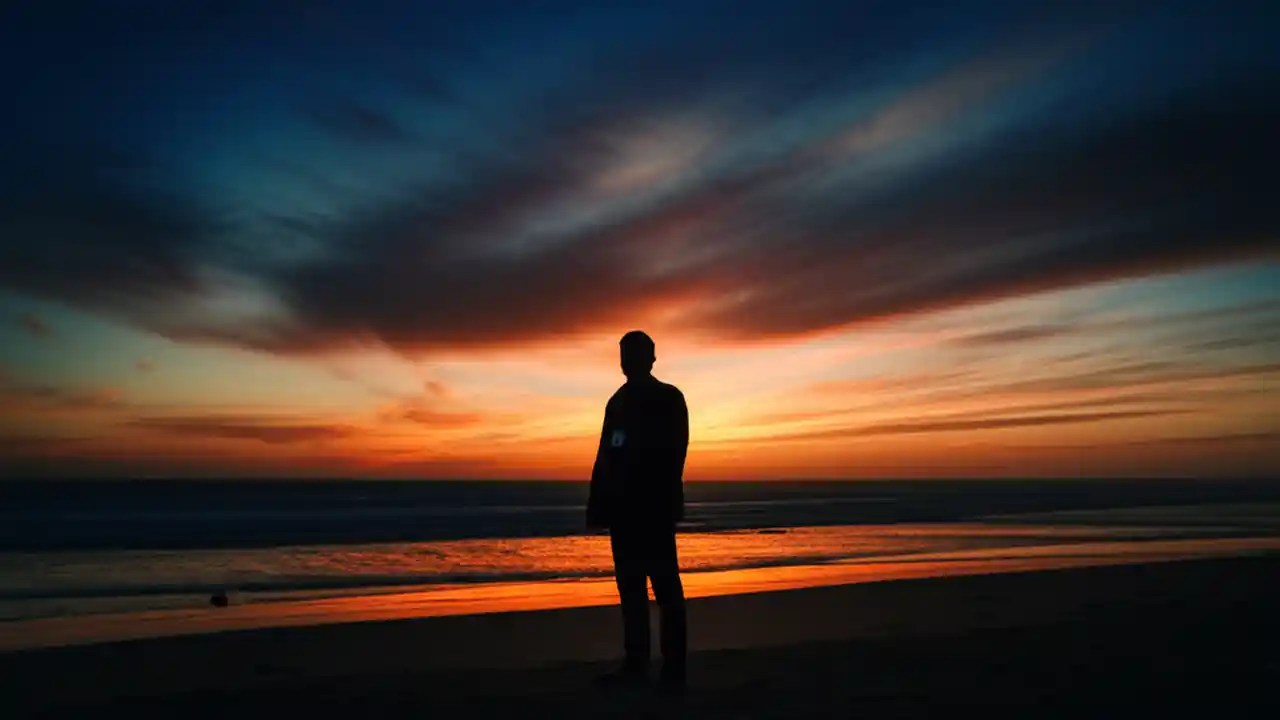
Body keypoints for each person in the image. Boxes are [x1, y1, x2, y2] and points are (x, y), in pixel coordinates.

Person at [587, 330, 689, 693]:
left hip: (652, 509)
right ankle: (638, 661)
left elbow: (675, 452)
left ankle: (673, 666)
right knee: (631, 589)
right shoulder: (617, 402)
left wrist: (664, 497)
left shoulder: (668, 398)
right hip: (624, 510)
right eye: (622, 353)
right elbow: (606, 454)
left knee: (664, 588)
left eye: (631, 353)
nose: (625, 359)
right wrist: (599, 502)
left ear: (650, 358)